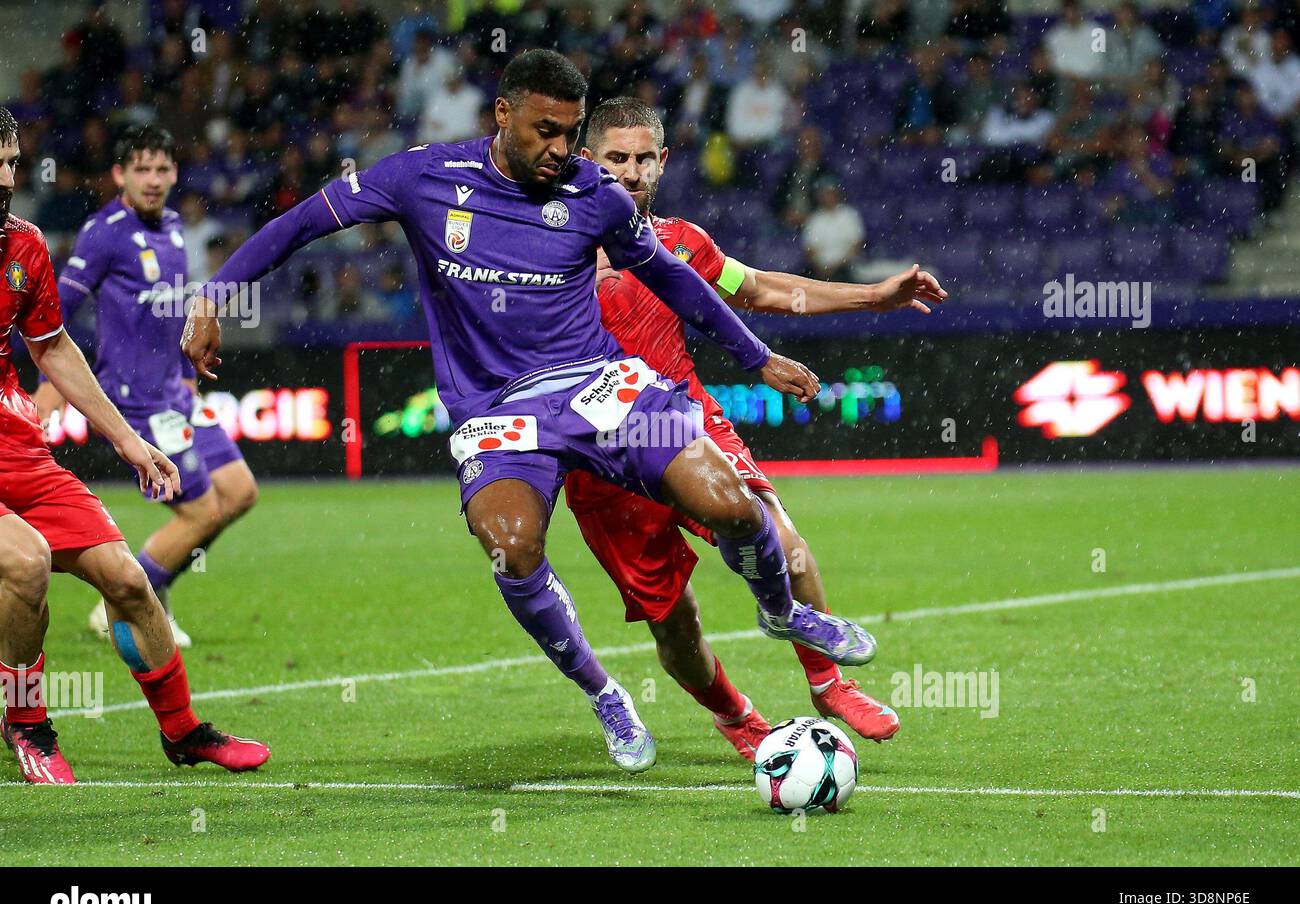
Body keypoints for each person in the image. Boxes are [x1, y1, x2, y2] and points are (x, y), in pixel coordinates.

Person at [182, 50, 875, 775]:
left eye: (571, 134)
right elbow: (301, 223)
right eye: (546, 131)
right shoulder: (423, 177)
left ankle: (781, 611)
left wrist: (755, 357)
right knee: (512, 548)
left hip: (600, 385)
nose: (560, 149)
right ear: (503, 114)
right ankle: (605, 693)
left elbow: (673, 278)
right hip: (498, 409)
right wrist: (214, 296)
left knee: (732, 504)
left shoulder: (594, 192)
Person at [574, 97, 946, 758]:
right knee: (674, 623)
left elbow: (760, 290)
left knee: (783, 541)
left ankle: (829, 684)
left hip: (683, 423)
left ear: (663, 161)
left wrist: (870, 296)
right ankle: (738, 717)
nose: (630, 172)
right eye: (615, 159)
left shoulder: (682, 242)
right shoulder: (549, 250)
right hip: (599, 458)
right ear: (586, 160)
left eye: (643, 159)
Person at [0, 107, 268, 784]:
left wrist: (125, 440)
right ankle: (27, 721)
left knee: (126, 578)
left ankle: (183, 732)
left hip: (27, 443)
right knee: (27, 562)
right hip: (132, 396)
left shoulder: (24, 244)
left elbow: (52, 343)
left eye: (11, 164)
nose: (7, 179)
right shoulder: (104, 235)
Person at [34, 126, 259, 648]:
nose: (153, 180)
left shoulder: (177, 230)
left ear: (175, 173)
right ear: (120, 175)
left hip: (176, 394)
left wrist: (187, 374)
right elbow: (55, 313)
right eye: (141, 170)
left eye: (161, 169)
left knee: (239, 493)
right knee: (200, 512)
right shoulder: (104, 232)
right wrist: (50, 388)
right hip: (134, 403)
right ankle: (130, 603)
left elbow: (177, 311)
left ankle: (140, 595)